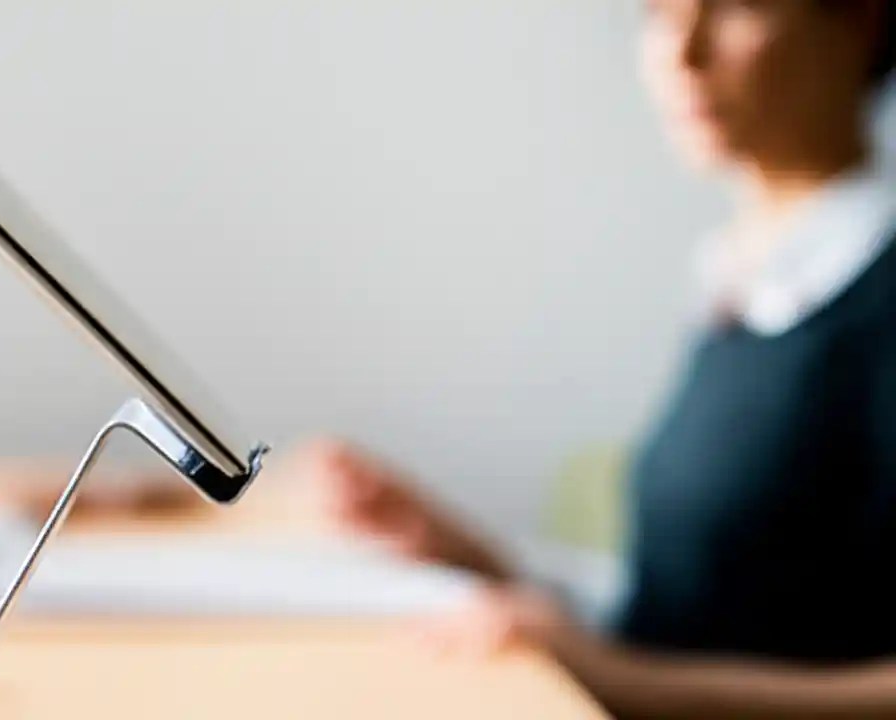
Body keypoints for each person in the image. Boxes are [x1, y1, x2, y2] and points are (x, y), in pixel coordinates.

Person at [305, 1, 896, 718]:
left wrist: (630, 685)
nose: (682, 54)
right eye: (660, 10)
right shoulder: (748, 281)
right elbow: (699, 609)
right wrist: (473, 558)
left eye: (734, 5)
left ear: (862, 17)